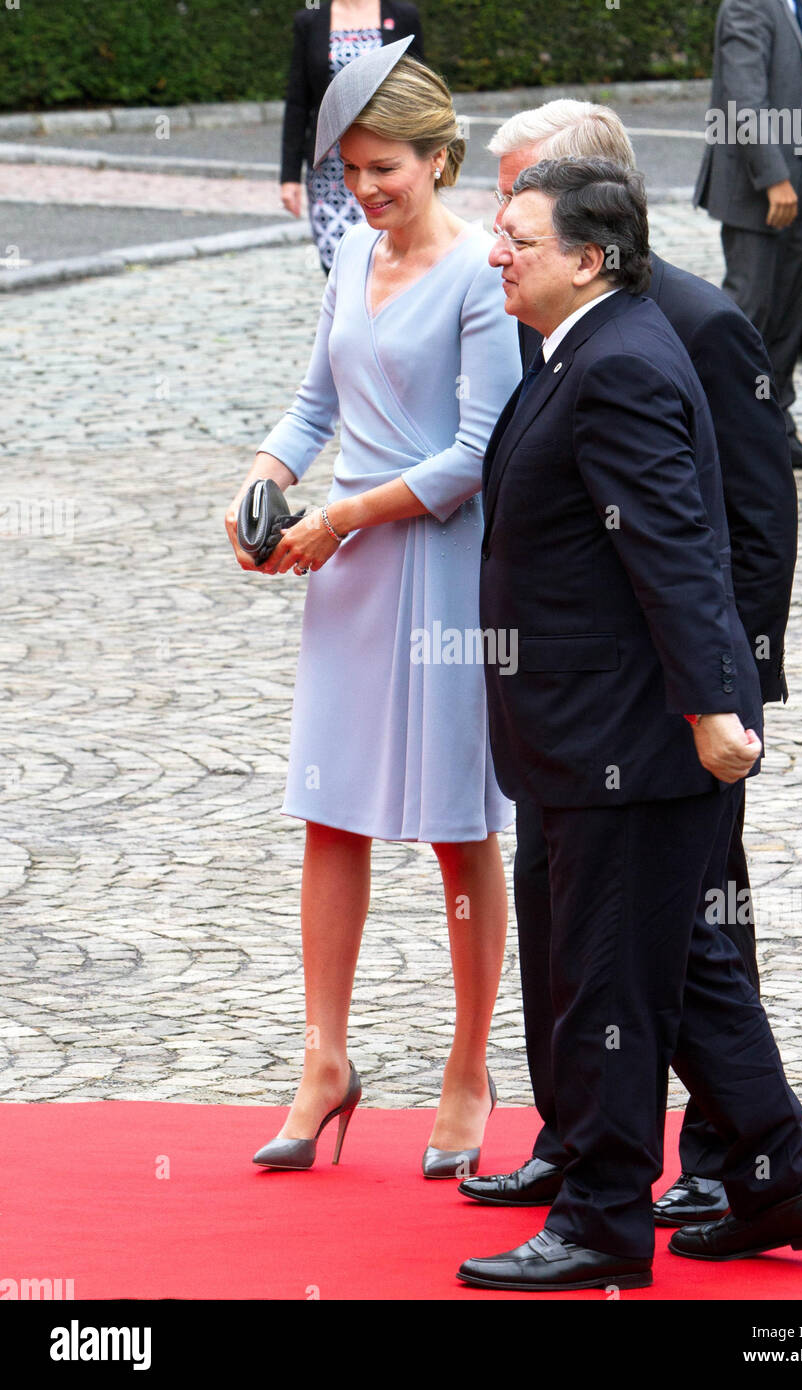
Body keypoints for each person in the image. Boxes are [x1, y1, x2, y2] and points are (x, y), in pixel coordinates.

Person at [457, 158, 802, 1292]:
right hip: (590, 729)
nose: (497, 253)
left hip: (623, 741)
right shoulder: (584, 344)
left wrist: (713, 707)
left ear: (587, 256)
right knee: (689, 964)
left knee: (611, 985)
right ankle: (779, 1174)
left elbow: (675, 551)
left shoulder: (618, 362)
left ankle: (601, 1221)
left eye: (516, 238)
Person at [226, 39, 522, 1178]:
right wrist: (262, 475)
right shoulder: (349, 252)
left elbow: (472, 457)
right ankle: (324, 1060)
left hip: (443, 569)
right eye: (351, 169)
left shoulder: (479, 272)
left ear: (441, 160)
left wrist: (338, 519)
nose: (364, 191)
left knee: (458, 828)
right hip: (349, 572)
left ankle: (467, 1067)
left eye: (385, 168)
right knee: (331, 810)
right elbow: (312, 404)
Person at [694, 0, 802, 470]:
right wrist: (772, 179)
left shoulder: (793, 7)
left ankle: (776, 434)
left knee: (785, 314)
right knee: (746, 317)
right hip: (759, 191)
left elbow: (793, 91)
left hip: (796, 187)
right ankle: (716, 440)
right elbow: (744, 99)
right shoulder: (748, 5)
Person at [279, 1, 424, 273]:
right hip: (330, 169)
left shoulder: (403, 14)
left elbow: (420, 89)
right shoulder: (310, 20)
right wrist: (288, 177)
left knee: (390, 258)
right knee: (338, 265)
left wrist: (428, 154)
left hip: (387, 162)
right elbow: (298, 101)